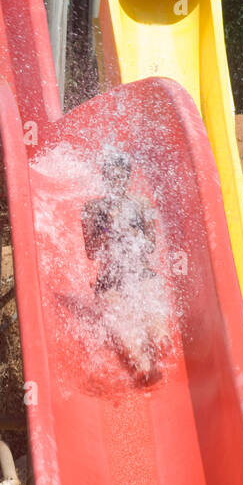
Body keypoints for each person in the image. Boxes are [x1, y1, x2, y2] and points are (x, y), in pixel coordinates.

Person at [80, 153, 170, 384]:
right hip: (110, 281)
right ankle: (140, 362)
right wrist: (107, 229)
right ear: (105, 178)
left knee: (150, 306)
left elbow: (150, 245)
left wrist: (133, 233)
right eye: (111, 178)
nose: (115, 183)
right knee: (122, 323)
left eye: (120, 178)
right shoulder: (91, 208)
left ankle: (160, 341)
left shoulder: (141, 204)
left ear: (127, 179)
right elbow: (91, 252)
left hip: (140, 273)